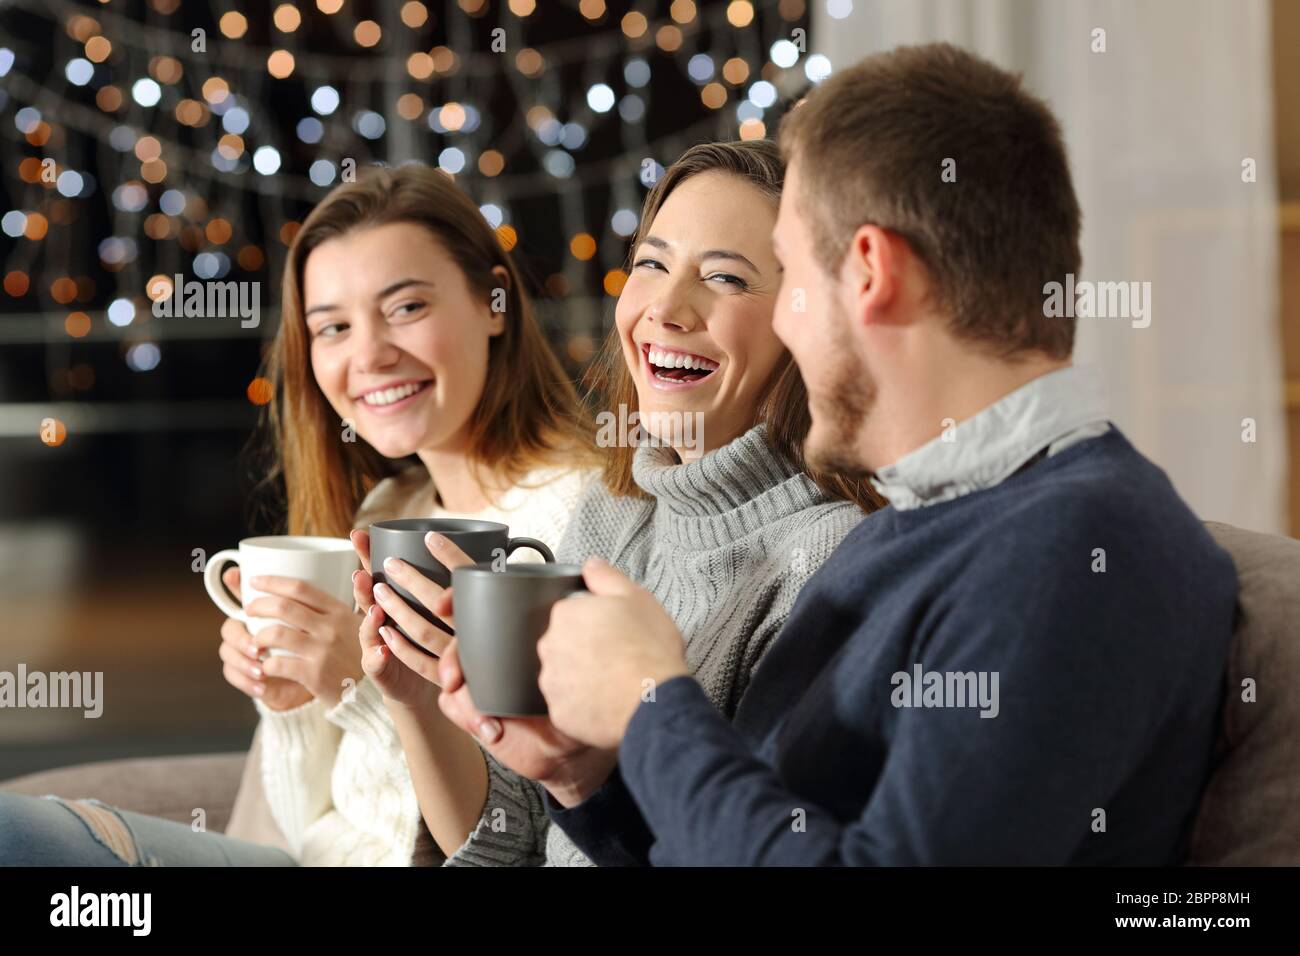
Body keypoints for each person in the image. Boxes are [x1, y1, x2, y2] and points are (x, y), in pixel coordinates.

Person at [526, 43, 1240, 866]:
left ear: (870, 273)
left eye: (790, 276)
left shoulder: (1079, 547)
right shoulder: (910, 531)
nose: (783, 328)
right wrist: (587, 780)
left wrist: (651, 704)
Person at [0, 163, 598, 866]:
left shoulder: (576, 520)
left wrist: (358, 687)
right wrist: (293, 705)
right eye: (333, 327)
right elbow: (300, 828)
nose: (369, 354)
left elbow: (506, 841)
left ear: (494, 303)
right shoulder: (388, 510)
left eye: (406, 307)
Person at [352, 140, 884, 866]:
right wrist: (417, 701)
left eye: (725, 277)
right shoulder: (616, 507)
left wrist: (596, 768)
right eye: (652, 265)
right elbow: (514, 841)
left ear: (808, 323)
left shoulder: (827, 559)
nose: (665, 308)